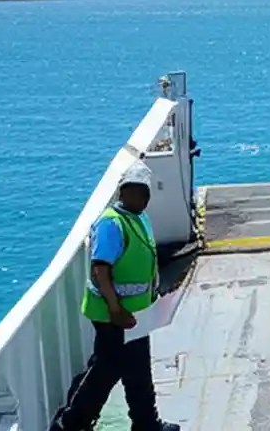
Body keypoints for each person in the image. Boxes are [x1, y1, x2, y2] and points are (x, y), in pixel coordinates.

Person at [50, 159, 179, 431]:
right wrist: (115, 308)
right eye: (137, 191)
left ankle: (139, 423)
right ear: (123, 191)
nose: (144, 198)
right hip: (115, 315)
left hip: (135, 314)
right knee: (114, 370)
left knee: (126, 370)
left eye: (146, 192)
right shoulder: (112, 223)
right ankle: (74, 423)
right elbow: (100, 269)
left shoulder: (138, 219)